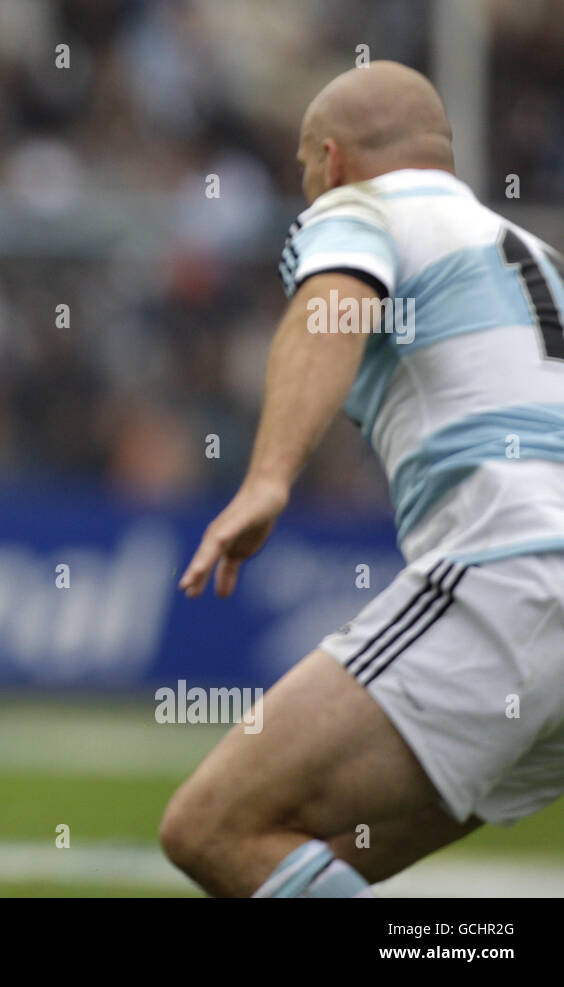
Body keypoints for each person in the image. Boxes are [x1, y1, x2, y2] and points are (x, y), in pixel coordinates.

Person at [161, 62, 564, 897]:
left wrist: (268, 478)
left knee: (212, 827)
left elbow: (333, 304)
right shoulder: (540, 259)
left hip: (514, 572)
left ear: (334, 161)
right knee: (315, 865)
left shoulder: (364, 206)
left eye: (307, 172)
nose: (308, 195)